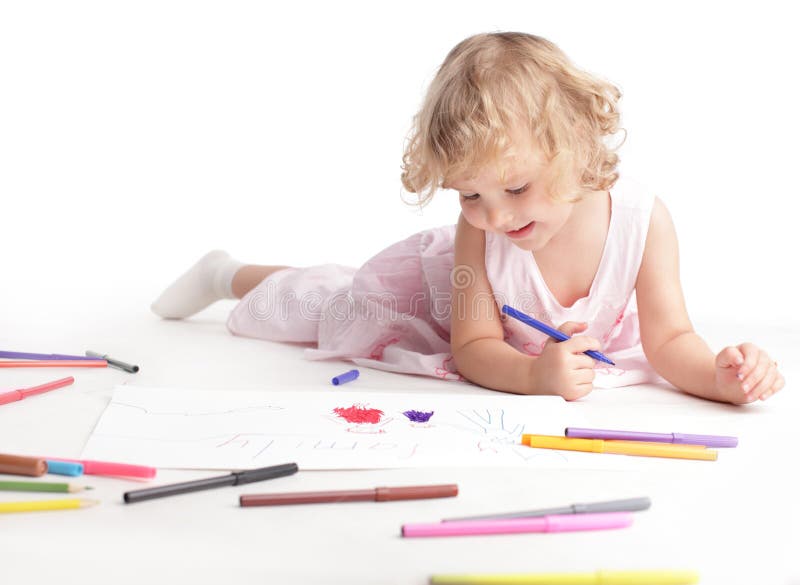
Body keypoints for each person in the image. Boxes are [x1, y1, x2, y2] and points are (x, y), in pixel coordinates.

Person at [151, 32, 784, 404]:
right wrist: (536, 374)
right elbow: (475, 345)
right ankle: (225, 273)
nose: (494, 217)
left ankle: (237, 272)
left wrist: (720, 380)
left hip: (512, 323)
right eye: (468, 195)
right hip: (435, 298)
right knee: (323, 301)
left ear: (576, 146)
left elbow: (670, 341)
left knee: (331, 284)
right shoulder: (477, 235)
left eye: (514, 187)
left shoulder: (644, 222)